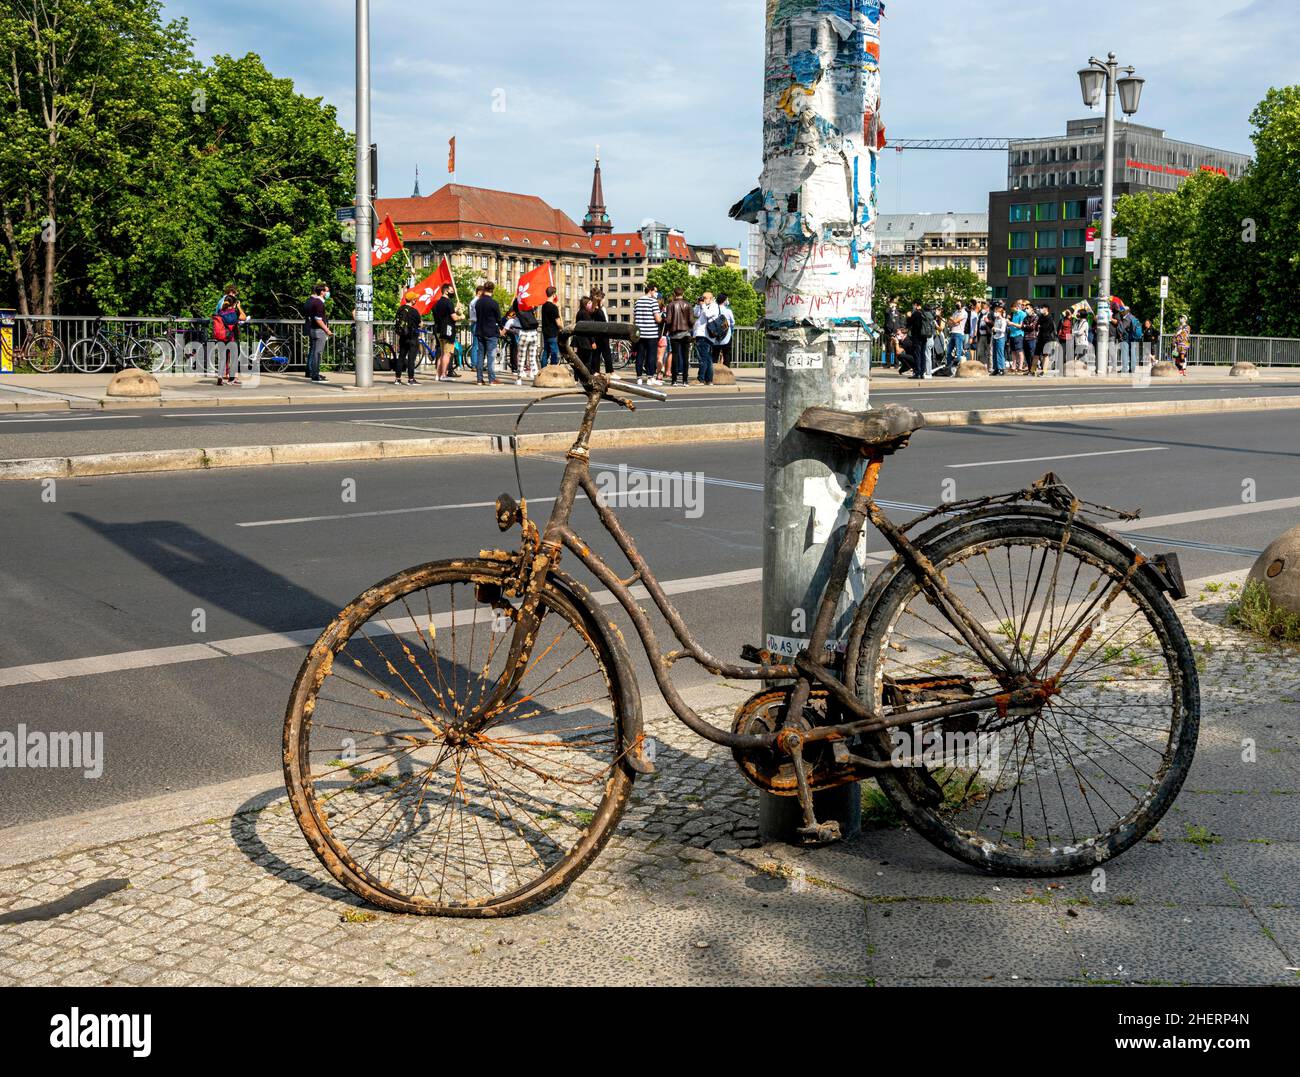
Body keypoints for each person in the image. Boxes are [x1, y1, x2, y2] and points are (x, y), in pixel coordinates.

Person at [632, 282, 662, 385]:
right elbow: (658, 319)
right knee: (651, 355)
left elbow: (634, 318)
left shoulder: (638, 302)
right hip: (651, 333)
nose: (656, 293)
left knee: (640, 355)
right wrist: (662, 317)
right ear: (651, 290)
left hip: (640, 333)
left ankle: (639, 377)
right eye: (655, 291)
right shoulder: (653, 302)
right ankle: (650, 377)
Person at [303, 282, 332, 383]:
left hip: (313, 330)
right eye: (326, 291)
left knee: (315, 352)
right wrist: (327, 330)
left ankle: (314, 373)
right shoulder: (319, 303)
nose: (328, 293)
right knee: (318, 353)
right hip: (319, 331)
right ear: (322, 292)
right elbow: (318, 319)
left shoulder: (313, 302)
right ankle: (315, 375)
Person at [473, 282, 502, 384]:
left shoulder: (478, 302)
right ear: (492, 290)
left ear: (484, 290)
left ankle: (479, 379)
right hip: (491, 332)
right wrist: (501, 329)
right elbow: (499, 319)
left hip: (480, 331)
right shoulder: (494, 303)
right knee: (491, 356)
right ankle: (492, 379)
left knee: (480, 355)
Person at [665, 288, 694, 386]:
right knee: (685, 357)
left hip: (674, 334)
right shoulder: (688, 304)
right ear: (683, 293)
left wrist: (668, 328)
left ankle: (674, 381)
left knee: (675, 357)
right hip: (686, 333)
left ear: (674, 294)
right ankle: (685, 380)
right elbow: (691, 320)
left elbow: (668, 321)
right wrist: (690, 328)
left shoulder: (670, 305)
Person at [692, 290, 720, 385]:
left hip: (706, 335)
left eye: (705, 298)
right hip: (701, 334)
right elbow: (695, 314)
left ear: (711, 298)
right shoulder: (703, 306)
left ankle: (701, 379)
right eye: (702, 297)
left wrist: (703, 305)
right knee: (707, 358)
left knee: (703, 358)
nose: (703, 299)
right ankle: (708, 380)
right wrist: (698, 304)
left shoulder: (714, 306)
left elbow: (708, 314)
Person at [393, 295, 422, 385]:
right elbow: (420, 324)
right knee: (411, 359)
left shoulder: (400, 309)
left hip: (403, 336)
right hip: (412, 337)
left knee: (401, 357)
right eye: (415, 299)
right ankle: (411, 379)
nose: (416, 300)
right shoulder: (414, 311)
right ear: (413, 300)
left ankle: (397, 379)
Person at [432, 283, 458, 381]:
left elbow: (443, 314)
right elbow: (454, 317)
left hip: (439, 329)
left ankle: (437, 375)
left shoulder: (437, 303)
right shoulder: (449, 302)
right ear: (446, 290)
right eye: (451, 290)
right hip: (448, 330)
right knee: (447, 353)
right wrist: (461, 316)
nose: (453, 292)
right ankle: (443, 375)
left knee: (442, 353)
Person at [514, 299, 540, 384]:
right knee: (532, 357)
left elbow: (514, 307)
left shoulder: (518, 307)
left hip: (524, 333)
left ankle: (519, 379)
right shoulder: (530, 305)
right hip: (533, 333)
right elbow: (535, 308)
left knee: (521, 358)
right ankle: (536, 377)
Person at [589, 290, 613, 374]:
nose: (604, 300)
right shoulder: (599, 311)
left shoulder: (592, 311)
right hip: (603, 335)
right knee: (606, 353)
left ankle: (595, 371)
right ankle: (610, 371)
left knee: (597, 354)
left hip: (596, 335)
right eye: (603, 298)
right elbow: (604, 323)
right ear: (600, 300)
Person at [906, 300, 929, 379]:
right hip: (924, 336)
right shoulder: (924, 313)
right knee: (923, 354)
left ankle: (917, 373)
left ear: (915, 305)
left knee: (917, 354)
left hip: (917, 336)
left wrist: (909, 316)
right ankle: (922, 372)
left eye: (913, 305)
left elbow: (910, 323)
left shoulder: (915, 313)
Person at [540, 286, 562, 367]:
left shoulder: (544, 306)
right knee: (554, 352)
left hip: (545, 332)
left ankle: (543, 369)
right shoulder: (553, 307)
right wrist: (562, 329)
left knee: (546, 351)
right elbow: (558, 322)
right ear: (554, 295)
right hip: (553, 333)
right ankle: (553, 369)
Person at [714, 293, 736, 368]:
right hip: (727, 335)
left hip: (715, 335)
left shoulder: (713, 310)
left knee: (714, 355)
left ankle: (712, 372)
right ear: (724, 300)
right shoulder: (728, 311)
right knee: (726, 354)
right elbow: (733, 322)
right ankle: (726, 371)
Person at [1033, 304, 1055, 376]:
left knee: (1045, 355)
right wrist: (1038, 326)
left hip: (1047, 339)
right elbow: (1036, 326)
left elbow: (1047, 328)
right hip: (1040, 338)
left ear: (1046, 309)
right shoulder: (1041, 317)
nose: (1041, 309)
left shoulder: (1050, 318)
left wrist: (1040, 326)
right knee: (1036, 354)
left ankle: (1044, 371)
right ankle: (1032, 370)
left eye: (1042, 308)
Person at [945, 302, 967, 373]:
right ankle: (949, 367)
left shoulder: (964, 312)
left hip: (959, 334)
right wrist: (953, 321)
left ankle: (958, 369)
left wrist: (953, 320)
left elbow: (955, 320)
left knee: (958, 352)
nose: (956, 305)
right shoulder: (955, 312)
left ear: (962, 305)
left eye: (958, 304)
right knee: (948, 351)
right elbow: (950, 322)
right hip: (953, 333)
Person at [882, 298, 902, 368]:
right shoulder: (888, 311)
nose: (893, 304)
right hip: (888, 332)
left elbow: (900, 321)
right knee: (888, 348)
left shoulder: (898, 312)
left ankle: (896, 364)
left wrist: (899, 330)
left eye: (894, 303)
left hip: (896, 332)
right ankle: (888, 364)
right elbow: (886, 313)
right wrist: (890, 308)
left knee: (896, 348)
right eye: (892, 303)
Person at [990, 302, 1009, 375]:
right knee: (994, 353)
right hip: (995, 337)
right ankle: (996, 368)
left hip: (1000, 338)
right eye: (995, 311)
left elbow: (1003, 330)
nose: (995, 313)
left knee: (1000, 353)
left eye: (997, 311)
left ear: (1000, 312)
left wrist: (995, 329)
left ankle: (1001, 368)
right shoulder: (996, 320)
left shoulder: (1003, 320)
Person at [1022, 303, 1040, 376]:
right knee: (1027, 355)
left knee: (1032, 355)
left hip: (1032, 338)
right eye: (1025, 308)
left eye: (1027, 308)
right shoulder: (1025, 318)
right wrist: (1026, 326)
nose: (1026, 310)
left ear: (1032, 309)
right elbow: (1022, 327)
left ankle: (1033, 370)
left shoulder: (1036, 317)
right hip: (1025, 338)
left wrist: (1026, 326)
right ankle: (1029, 369)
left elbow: (1032, 327)